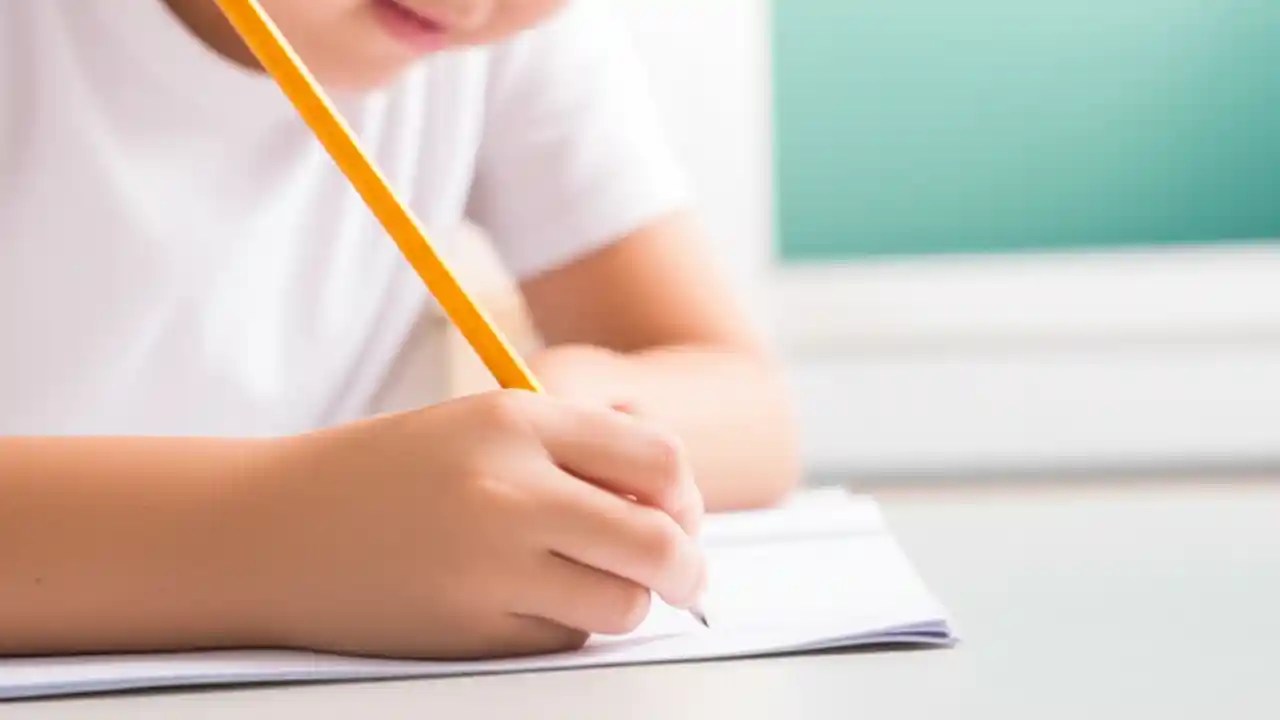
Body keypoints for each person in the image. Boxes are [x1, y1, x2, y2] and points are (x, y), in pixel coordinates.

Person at [0, 0, 800, 659]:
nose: (468, 6)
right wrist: (286, 536)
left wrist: (580, 428)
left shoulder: (486, 48)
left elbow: (749, 404)